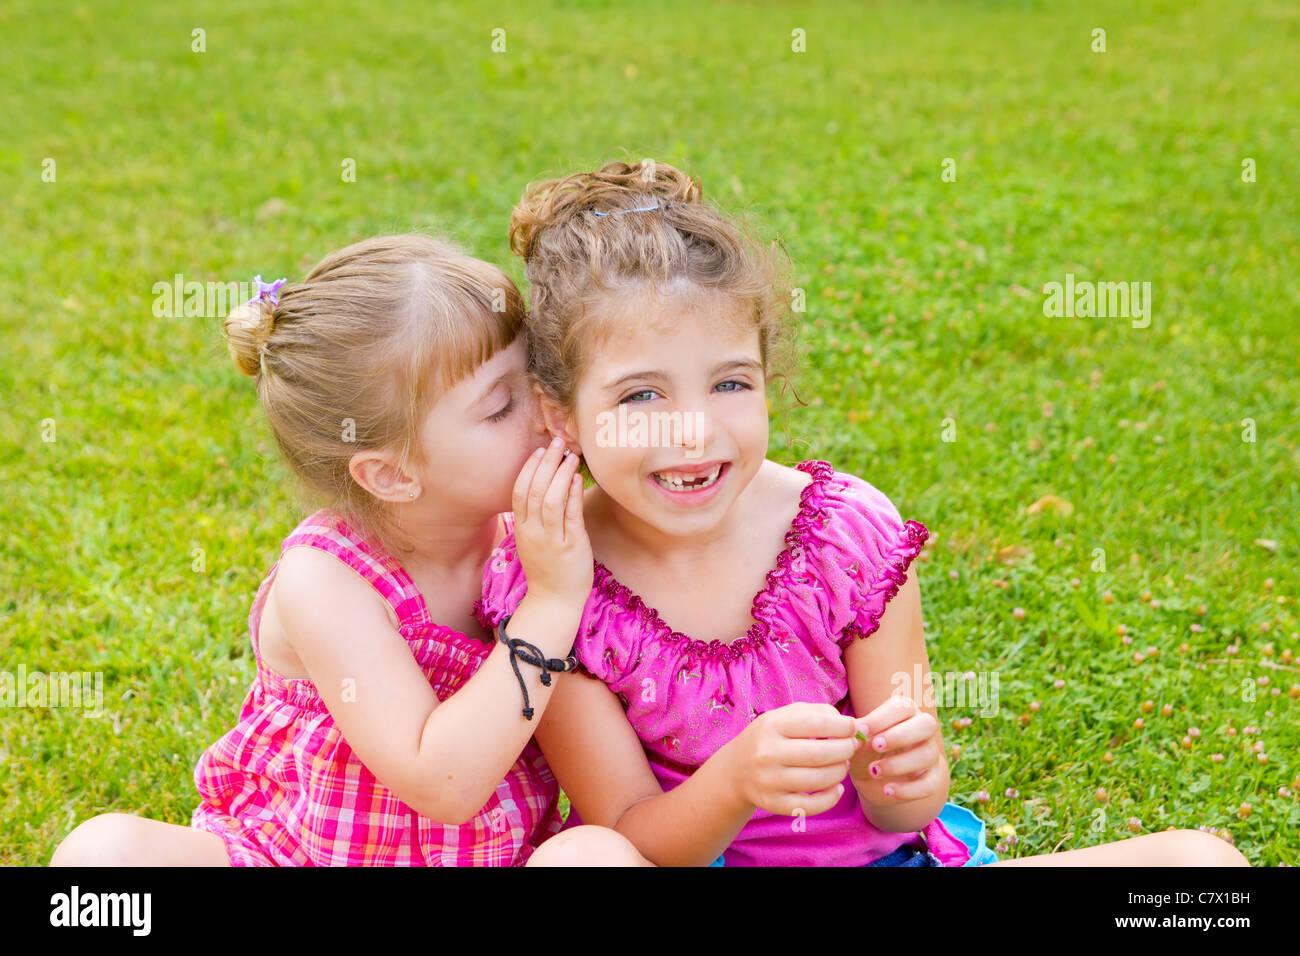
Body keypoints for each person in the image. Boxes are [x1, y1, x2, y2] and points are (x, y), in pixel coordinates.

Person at [475, 161, 1249, 867]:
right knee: (578, 861)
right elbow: (631, 826)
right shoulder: (557, 578)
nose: (694, 430)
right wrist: (736, 781)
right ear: (561, 415)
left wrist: (906, 770)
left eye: (731, 384)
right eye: (642, 394)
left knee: (1199, 872)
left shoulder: (842, 534)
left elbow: (904, 810)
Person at [51, 234, 640, 866]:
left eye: (535, 375)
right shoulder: (326, 579)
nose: (547, 408)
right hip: (298, 859)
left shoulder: (537, 539)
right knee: (105, 854)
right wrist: (551, 602)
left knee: (596, 855)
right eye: (500, 407)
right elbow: (443, 783)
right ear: (391, 475)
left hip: (495, 858)